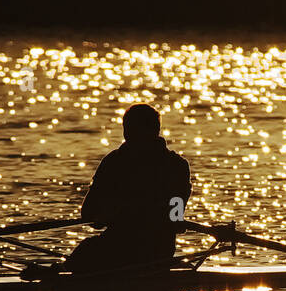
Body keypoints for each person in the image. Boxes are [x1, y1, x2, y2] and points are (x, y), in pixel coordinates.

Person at [63, 104, 192, 276]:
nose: (127, 136)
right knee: (86, 250)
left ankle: (56, 273)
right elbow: (89, 214)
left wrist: (132, 213)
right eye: (127, 130)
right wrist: (110, 214)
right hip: (138, 248)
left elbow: (175, 219)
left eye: (132, 131)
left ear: (153, 131)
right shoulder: (177, 166)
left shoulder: (173, 166)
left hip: (151, 252)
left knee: (86, 251)